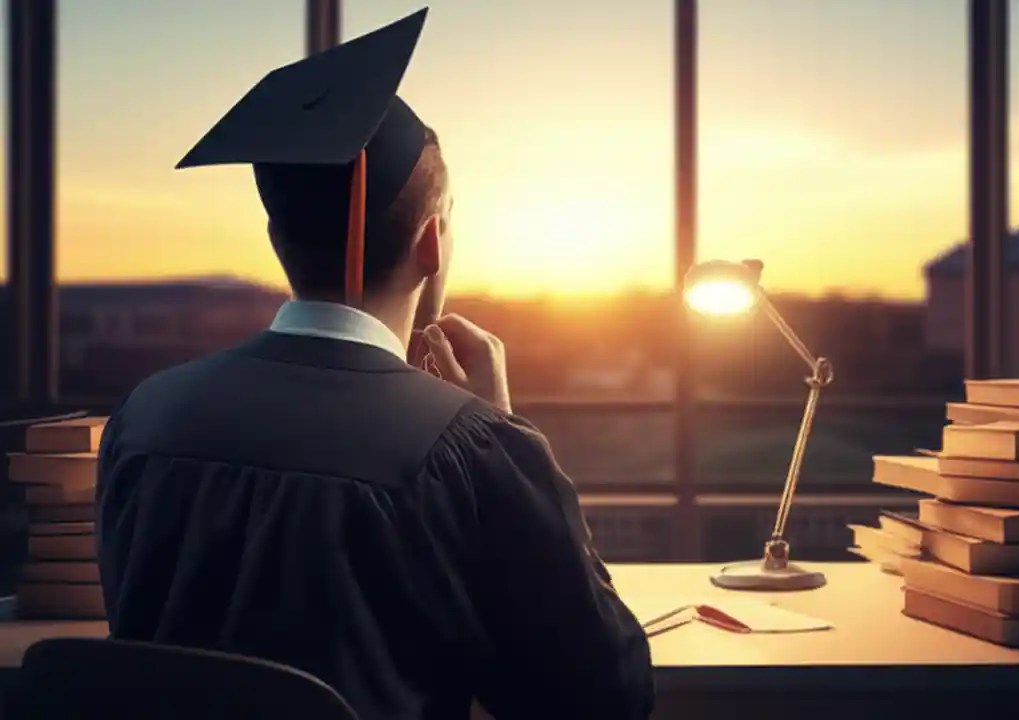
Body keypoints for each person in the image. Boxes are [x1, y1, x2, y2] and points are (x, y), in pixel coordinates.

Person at [94, 9, 653, 720]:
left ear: (276, 237)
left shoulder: (143, 419)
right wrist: (502, 432)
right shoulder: (471, 453)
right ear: (432, 243)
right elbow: (603, 696)